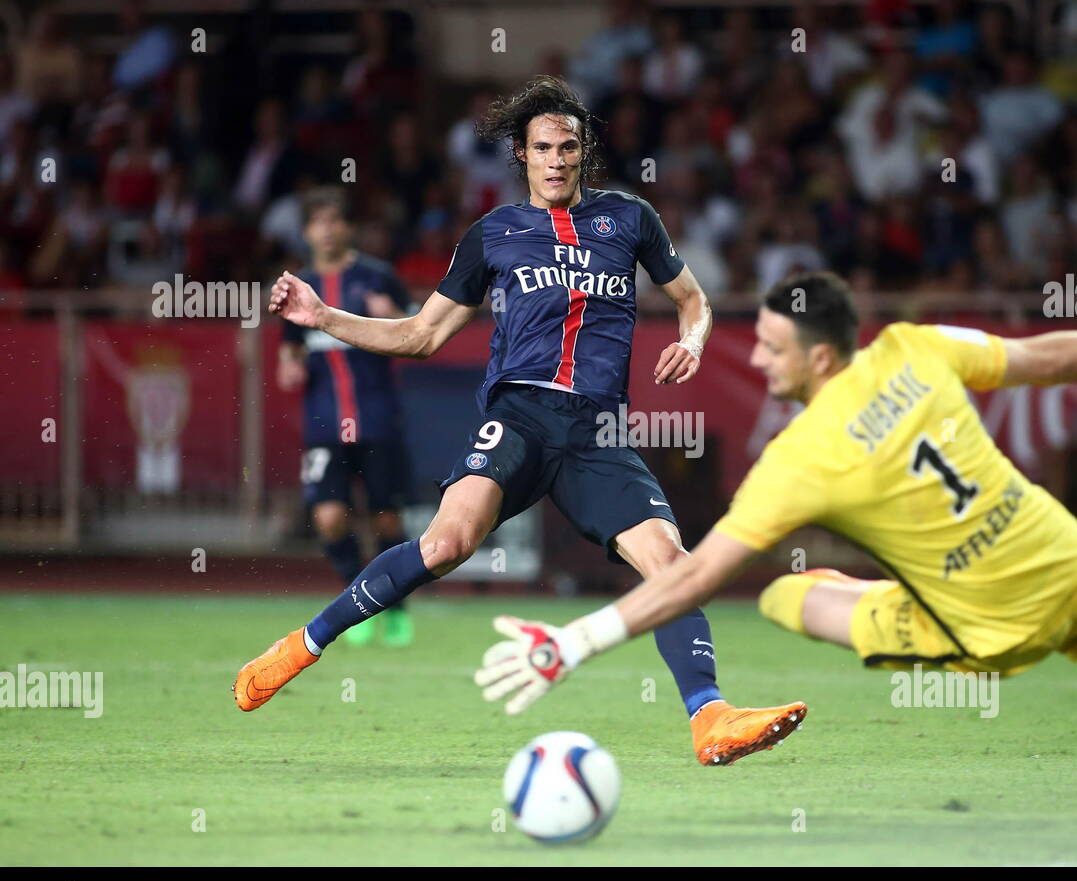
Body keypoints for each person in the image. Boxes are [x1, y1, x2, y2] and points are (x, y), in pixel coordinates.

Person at [476, 274, 1077, 823]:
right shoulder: (915, 346)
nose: (758, 360)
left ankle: (887, 602)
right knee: (1073, 616)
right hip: (1070, 561)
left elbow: (695, 576)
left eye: (773, 347)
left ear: (818, 358)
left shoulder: (800, 460)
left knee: (788, 596)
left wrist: (576, 640)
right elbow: (1043, 360)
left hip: (991, 627)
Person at [236, 77, 805, 766]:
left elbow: (693, 300)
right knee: (445, 545)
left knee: (673, 565)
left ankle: (710, 718)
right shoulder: (494, 234)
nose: (557, 160)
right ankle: (302, 645)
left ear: (584, 151)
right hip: (520, 417)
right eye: (543, 148)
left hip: (596, 431)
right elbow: (421, 335)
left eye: (569, 147)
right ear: (522, 154)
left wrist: (692, 340)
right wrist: (325, 318)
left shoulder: (629, 220)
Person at [278, 188, 416, 646]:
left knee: (386, 521)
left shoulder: (378, 277)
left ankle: (395, 606)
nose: (328, 229)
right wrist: (290, 365)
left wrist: (392, 316)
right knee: (330, 518)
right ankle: (358, 601)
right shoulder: (297, 288)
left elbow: (417, 334)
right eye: (318, 222)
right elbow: (288, 352)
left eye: (336, 220)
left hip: (377, 420)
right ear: (305, 232)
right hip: (323, 425)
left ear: (349, 227)